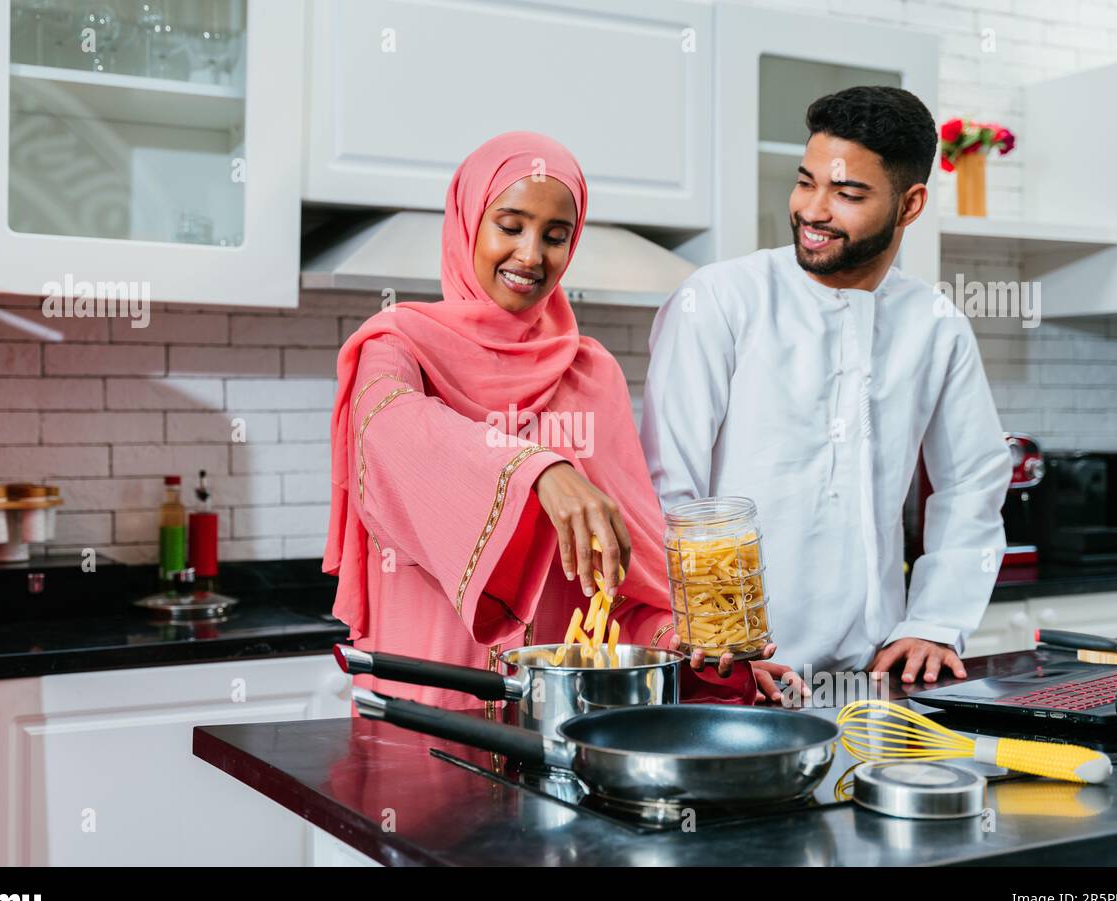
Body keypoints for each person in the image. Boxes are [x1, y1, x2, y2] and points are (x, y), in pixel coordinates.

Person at [324, 131, 796, 711]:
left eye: (555, 236)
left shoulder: (591, 372)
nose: (530, 255)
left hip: (557, 722)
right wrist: (540, 472)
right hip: (429, 708)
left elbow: (621, 592)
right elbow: (390, 430)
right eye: (510, 225)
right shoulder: (398, 347)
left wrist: (688, 645)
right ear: (469, 221)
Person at [641, 87, 1012, 691]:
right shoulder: (719, 299)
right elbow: (667, 489)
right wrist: (718, 646)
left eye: (847, 193)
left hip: (876, 676)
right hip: (738, 675)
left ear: (910, 204)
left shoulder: (935, 323)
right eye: (806, 181)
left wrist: (936, 621)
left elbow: (973, 480)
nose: (813, 210)